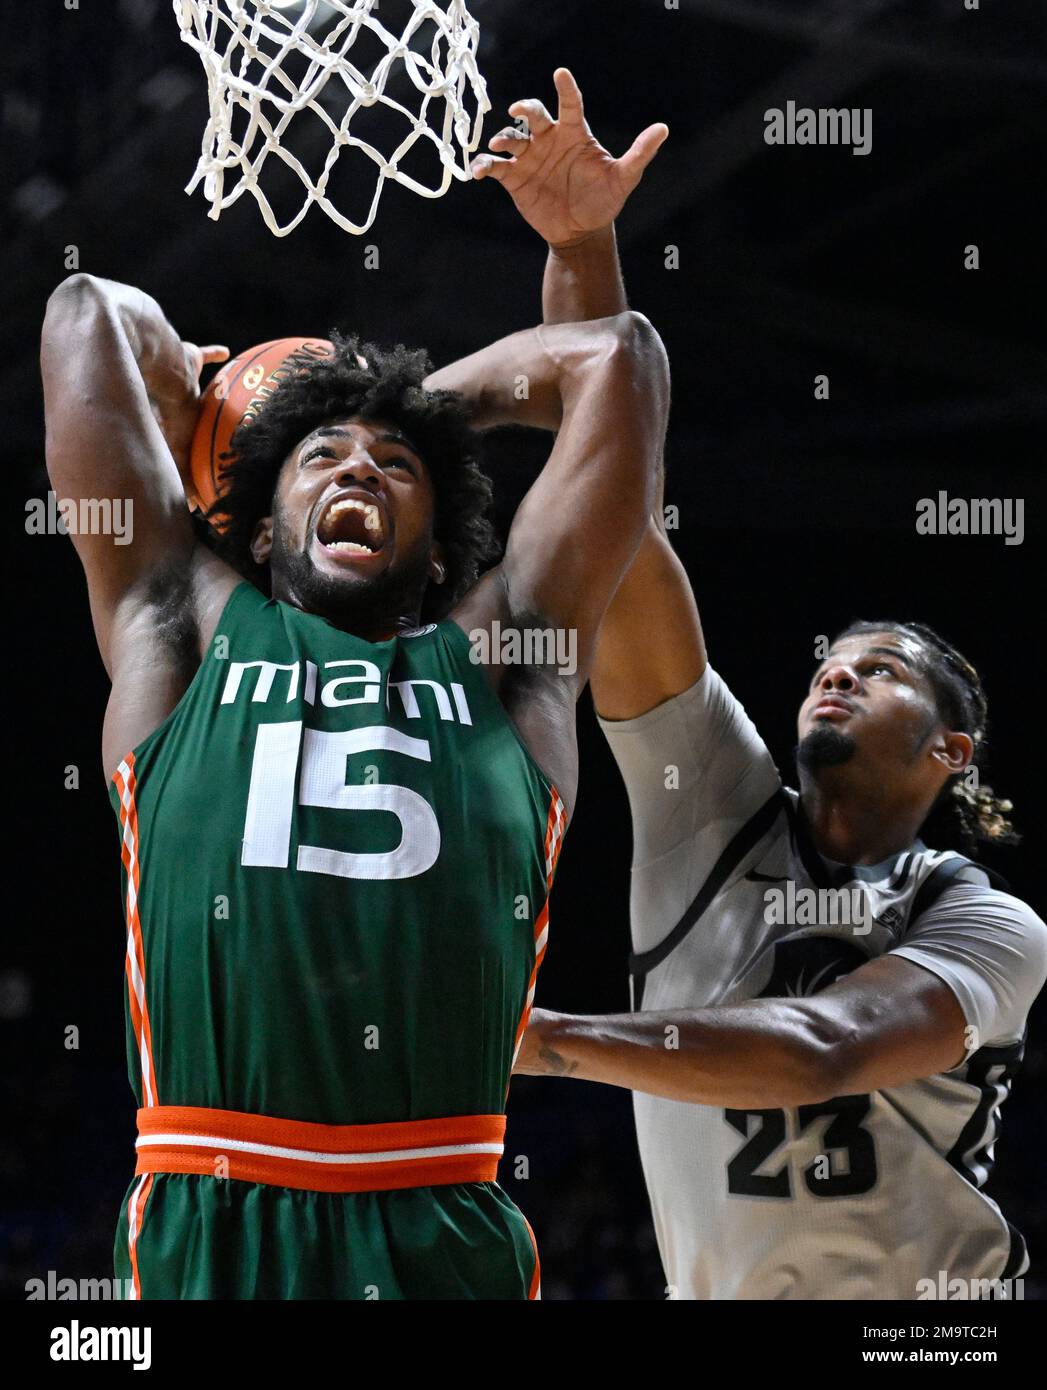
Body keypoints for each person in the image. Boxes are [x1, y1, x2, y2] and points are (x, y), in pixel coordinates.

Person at [39, 69, 669, 1300]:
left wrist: (404, 402)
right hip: (211, 1212)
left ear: (440, 551)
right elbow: (86, 310)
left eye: (397, 467)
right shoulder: (181, 629)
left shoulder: (510, 661)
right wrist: (186, 387)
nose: (359, 472)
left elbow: (619, 359)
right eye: (319, 457)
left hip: (440, 1215)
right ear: (254, 525)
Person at [515, 402, 1047, 1300]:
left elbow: (824, 1047)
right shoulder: (709, 811)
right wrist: (600, 381)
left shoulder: (989, 923)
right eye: (829, 666)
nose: (837, 672)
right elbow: (627, 552)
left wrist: (541, 1040)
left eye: (880, 671)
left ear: (949, 751)